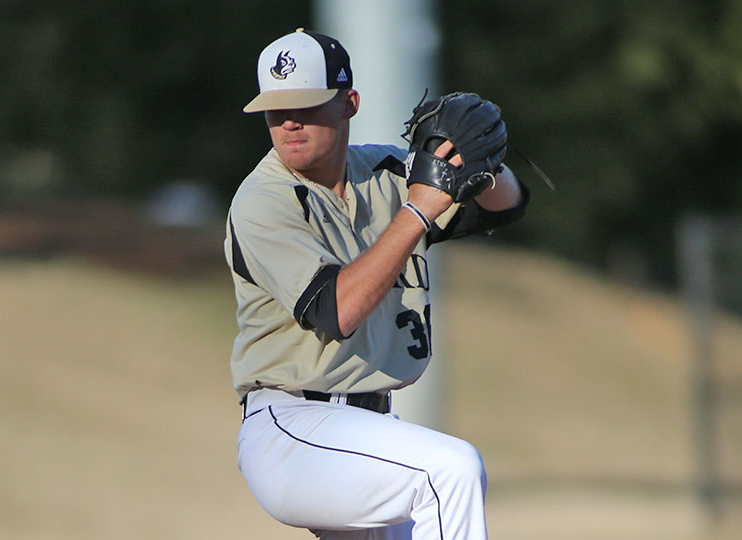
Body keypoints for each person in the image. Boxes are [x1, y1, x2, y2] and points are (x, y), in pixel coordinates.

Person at [224, 28, 529, 540]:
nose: (290, 121)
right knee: (448, 471)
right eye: (275, 111)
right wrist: (417, 211)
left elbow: (507, 207)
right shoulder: (262, 200)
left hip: (366, 432)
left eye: (306, 104)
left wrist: (480, 164)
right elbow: (336, 312)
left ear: (349, 104)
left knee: (437, 478)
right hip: (293, 428)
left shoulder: (383, 170)